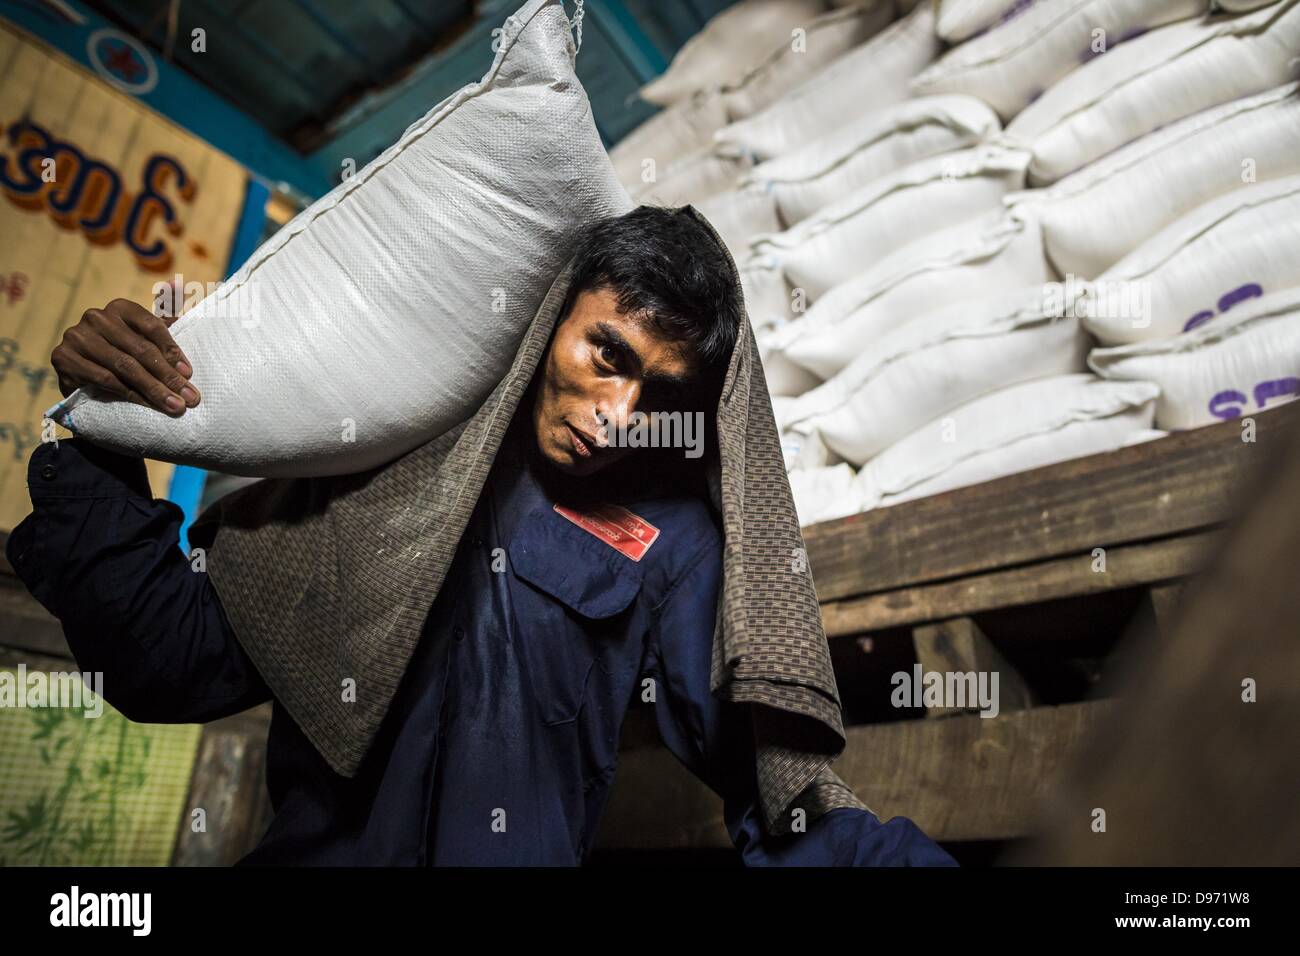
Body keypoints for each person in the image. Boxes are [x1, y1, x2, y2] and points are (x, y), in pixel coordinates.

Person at [7, 205, 956, 866]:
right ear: (552, 315)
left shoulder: (672, 544)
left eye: (660, 392)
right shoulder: (381, 456)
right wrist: (99, 434)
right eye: (608, 354)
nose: (620, 414)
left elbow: (775, 795)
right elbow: (168, 661)